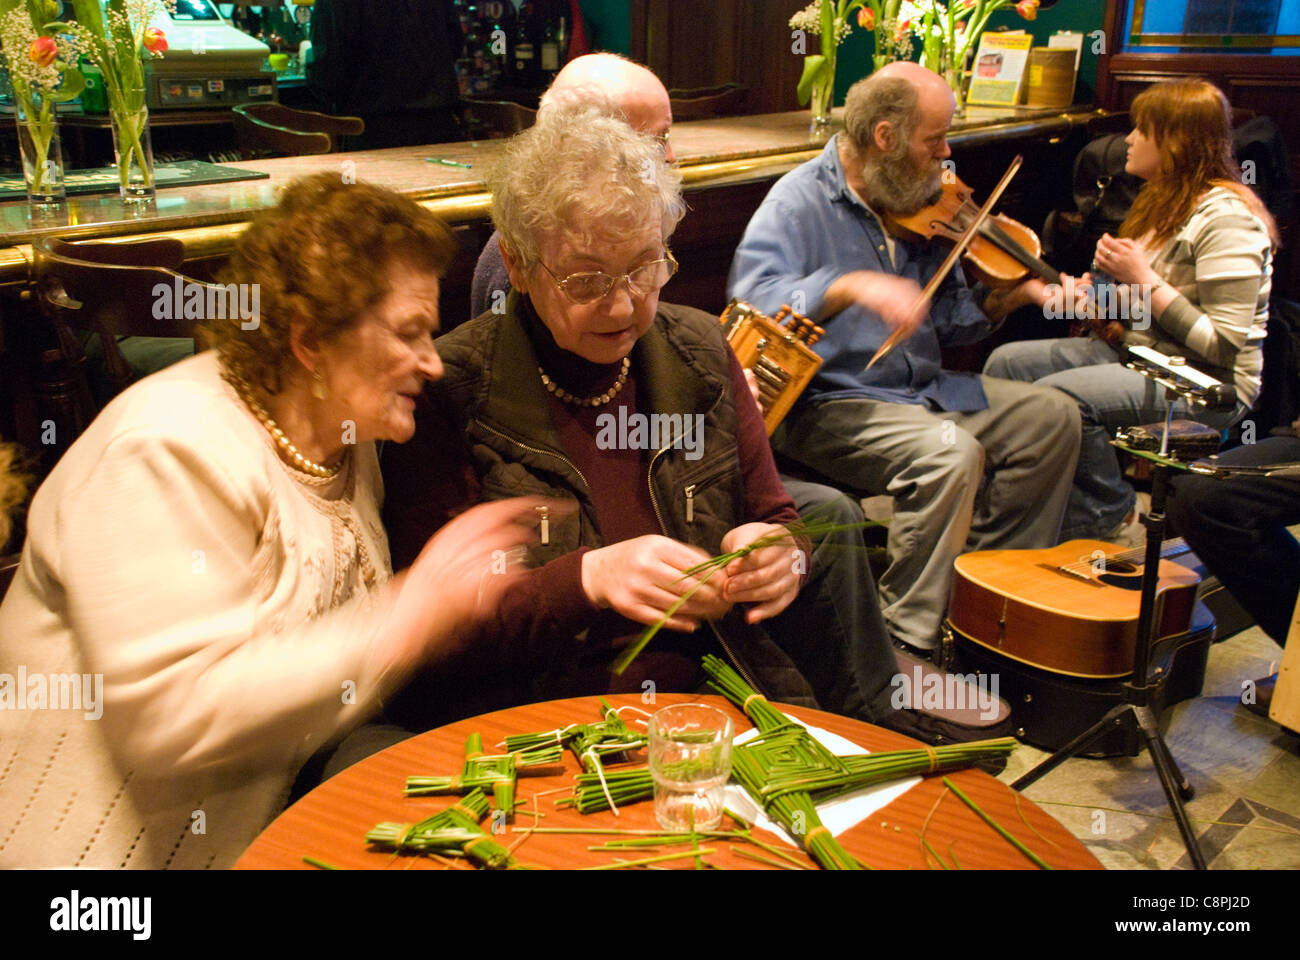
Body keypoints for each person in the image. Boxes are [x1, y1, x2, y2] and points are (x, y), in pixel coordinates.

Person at [0, 174, 537, 869]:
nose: (433, 362)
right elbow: (169, 719)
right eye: (409, 334)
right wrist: (410, 611)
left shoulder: (345, 434)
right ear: (310, 341)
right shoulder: (166, 449)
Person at [382, 106, 900, 728]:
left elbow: (776, 516)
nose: (625, 304)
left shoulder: (703, 350)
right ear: (517, 266)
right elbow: (439, 641)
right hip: (547, 728)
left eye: (645, 267)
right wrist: (589, 580)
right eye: (586, 279)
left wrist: (781, 557)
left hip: (720, 703)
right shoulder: (449, 391)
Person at [727, 62, 1082, 657]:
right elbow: (748, 302)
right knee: (950, 456)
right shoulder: (797, 203)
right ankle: (902, 645)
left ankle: (985, 601)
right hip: (831, 402)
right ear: (885, 138)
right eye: (933, 140)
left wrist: (1010, 296)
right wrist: (847, 286)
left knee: (1052, 419)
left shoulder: (912, 199)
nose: (946, 156)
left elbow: (944, 318)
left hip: (922, 390)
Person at [985, 79, 1276, 542]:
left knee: (1064, 400)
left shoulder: (1228, 219)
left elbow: (1221, 346)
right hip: (1144, 355)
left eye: (1143, 130)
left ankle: (1106, 508)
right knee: (1006, 364)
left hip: (1207, 383)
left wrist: (1144, 279)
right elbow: (1140, 312)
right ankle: (1024, 500)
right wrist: (1080, 295)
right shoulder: (1162, 201)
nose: (1129, 140)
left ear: (1176, 142)